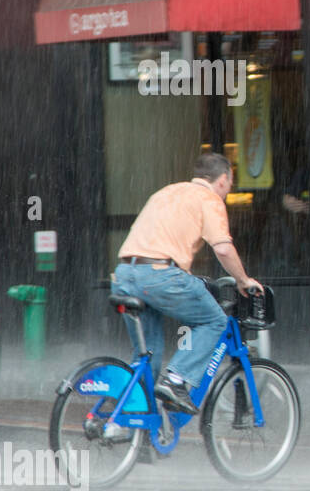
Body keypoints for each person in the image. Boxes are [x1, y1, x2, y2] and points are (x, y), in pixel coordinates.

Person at [111, 153, 263, 415]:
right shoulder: (209, 199)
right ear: (224, 179)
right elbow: (224, 249)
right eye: (230, 183)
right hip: (160, 276)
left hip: (124, 275)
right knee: (214, 320)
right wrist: (243, 279)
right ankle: (176, 379)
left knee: (148, 356)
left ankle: (137, 426)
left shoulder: (165, 192)